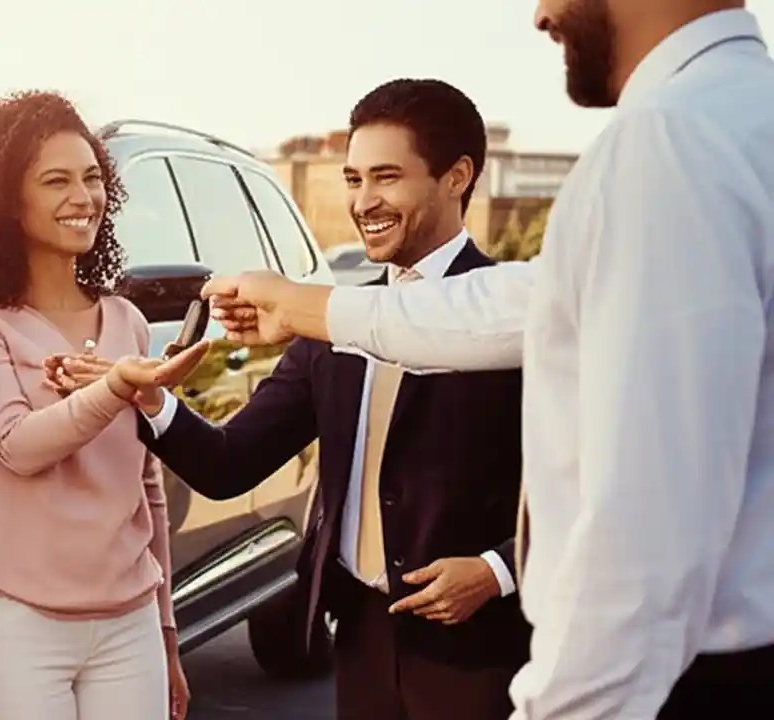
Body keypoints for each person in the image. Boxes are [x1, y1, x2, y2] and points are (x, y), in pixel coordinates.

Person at [200, 2, 774, 717]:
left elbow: (645, 541)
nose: (540, 14)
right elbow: (510, 307)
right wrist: (302, 308)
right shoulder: (741, 118)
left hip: (688, 674)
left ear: (457, 177)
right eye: (352, 179)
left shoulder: (669, 138)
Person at [56, 79, 532, 720]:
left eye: (386, 177)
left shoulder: (516, 319)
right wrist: (150, 401)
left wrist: (497, 570)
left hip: (482, 651)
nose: (365, 202)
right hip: (361, 639)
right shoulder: (329, 320)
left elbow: (590, 490)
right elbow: (231, 463)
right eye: (354, 179)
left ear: (457, 176)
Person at [0, 89, 203, 720]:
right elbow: (18, 445)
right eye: (57, 181)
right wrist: (114, 389)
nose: (83, 197)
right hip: (14, 621)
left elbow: (146, 486)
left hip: (130, 619)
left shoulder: (126, 321)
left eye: (91, 177)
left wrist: (166, 636)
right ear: (6, 200)